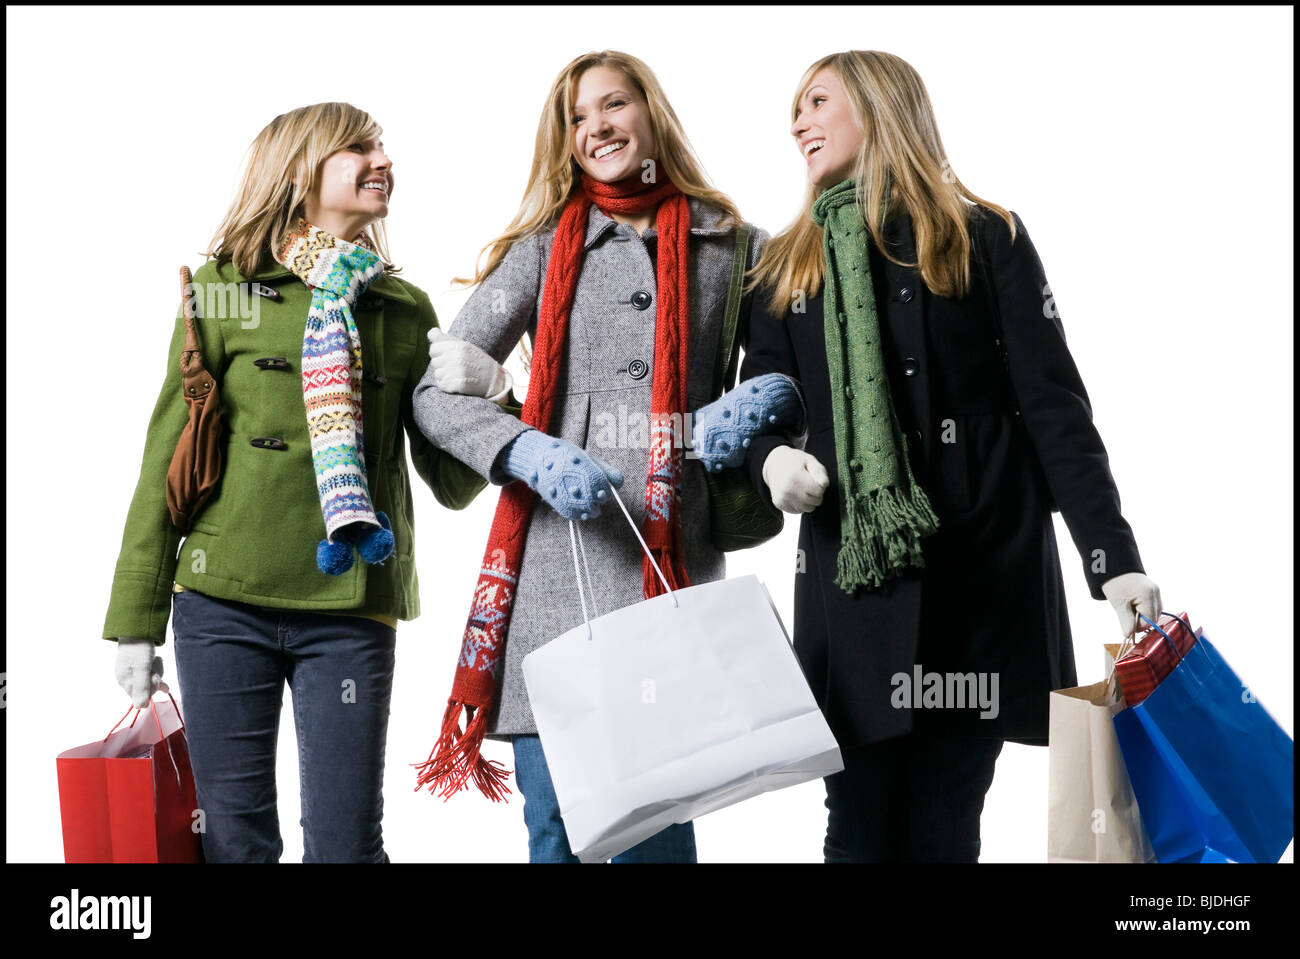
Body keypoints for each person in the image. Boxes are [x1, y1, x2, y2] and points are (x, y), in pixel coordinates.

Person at [739, 51, 1163, 862]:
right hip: (851, 593)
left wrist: (1113, 560)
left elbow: (1055, 410)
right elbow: (756, 406)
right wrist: (767, 460)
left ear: (878, 107)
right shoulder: (785, 266)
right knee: (857, 826)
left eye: (817, 101)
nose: (798, 122)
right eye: (795, 108)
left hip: (978, 586)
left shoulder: (985, 236)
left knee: (944, 823)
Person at [411, 50, 801, 863]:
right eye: (577, 119)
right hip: (554, 574)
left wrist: (755, 407)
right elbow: (433, 393)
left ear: (650, 112)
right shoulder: (544, 246)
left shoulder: (732, 245)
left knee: (657, 829)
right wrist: (525, 449)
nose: (596, 128)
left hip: (669, 567)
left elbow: (791, 375)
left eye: (612, 105)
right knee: (559, 831)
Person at [103, 102, 489, 862]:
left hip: (349, 605)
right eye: (358, 148)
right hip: (221, 602)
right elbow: (164, 461)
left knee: (346, 846)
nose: (382, 161)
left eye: (383, 147)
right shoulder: (222, 290)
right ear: (301, 168)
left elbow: (447, 478)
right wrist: (136, 619)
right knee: (235, 842)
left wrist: (495, 392)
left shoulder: (403, 308)